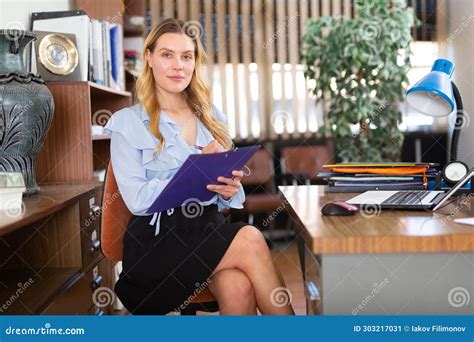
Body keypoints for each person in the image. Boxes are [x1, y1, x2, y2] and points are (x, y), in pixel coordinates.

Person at [104, 18, 294, 316]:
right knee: (250, 237)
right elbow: (138, 200)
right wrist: (190, 169)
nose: (178, 65)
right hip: (157, 240)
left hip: (206, 228)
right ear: (149, 58)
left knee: (237, 286)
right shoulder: (126, 123)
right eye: (167, 55)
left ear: (195, 63)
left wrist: (229, 190)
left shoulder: (211, 118)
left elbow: (224, 199)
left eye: (186, 56)